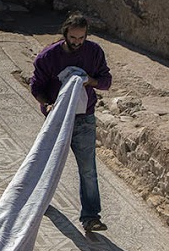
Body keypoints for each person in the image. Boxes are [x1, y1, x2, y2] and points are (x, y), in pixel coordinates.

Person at [30, 13, 113, 232]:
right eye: (73, 37)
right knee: (48, 162)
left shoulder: (94, 52)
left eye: (81, 38)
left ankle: (91, 217)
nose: (77, 42)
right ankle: (39, 201)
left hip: (84, 118)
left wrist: (90, 81)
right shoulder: (48, 57)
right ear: (65, 33)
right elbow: (36, 87)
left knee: (88, 169)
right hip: (57, 117)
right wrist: (47, 105)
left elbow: (106, 81)